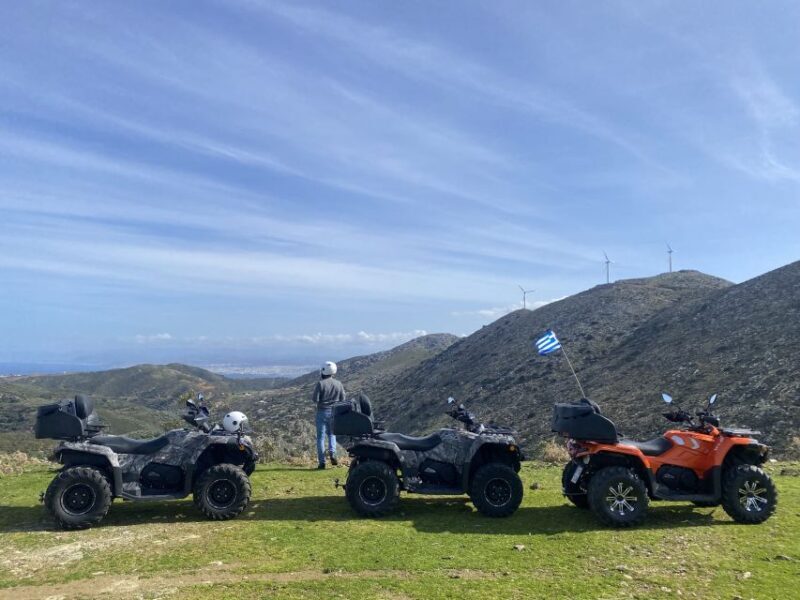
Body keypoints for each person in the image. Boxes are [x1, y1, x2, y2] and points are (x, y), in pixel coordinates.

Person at [312, 361, 346, 469]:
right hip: (334, 413)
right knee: (332, 435)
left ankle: (322, 463)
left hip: (322, 412)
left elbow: (315, 399)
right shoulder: (339, 384)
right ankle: (333, 453)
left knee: (320, 438)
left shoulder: (320, 384)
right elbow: (343, 399)